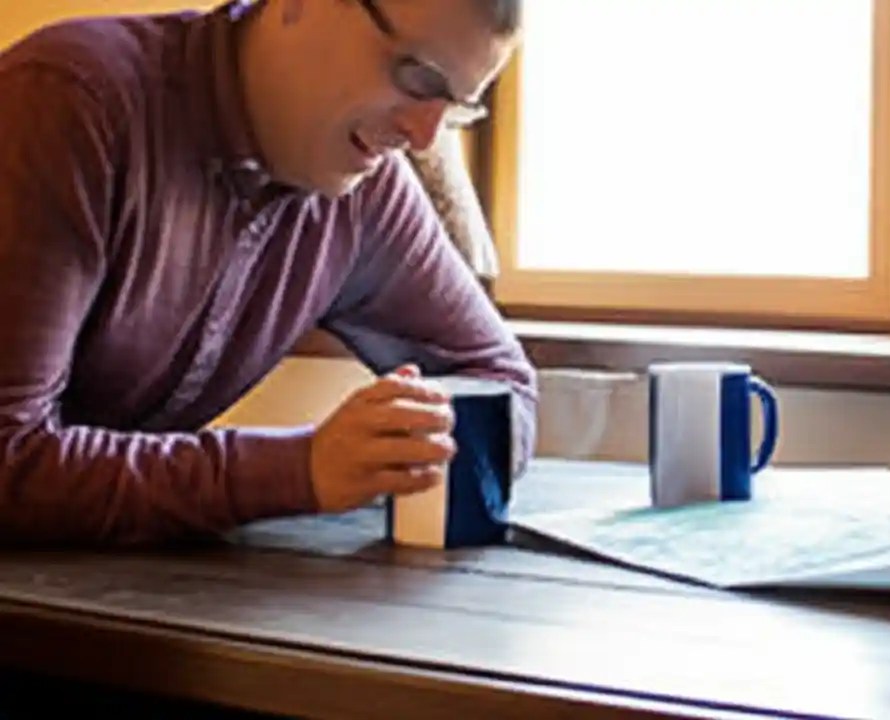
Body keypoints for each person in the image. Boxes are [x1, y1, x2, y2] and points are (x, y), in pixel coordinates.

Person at [0, 0, 537, 546]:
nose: (424, 137)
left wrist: (407, 446)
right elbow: (8, 460)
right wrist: (296, 470)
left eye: (455, 108)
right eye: (418, 77)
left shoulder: (367, 196)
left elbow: (499, 381)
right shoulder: (68, 103)